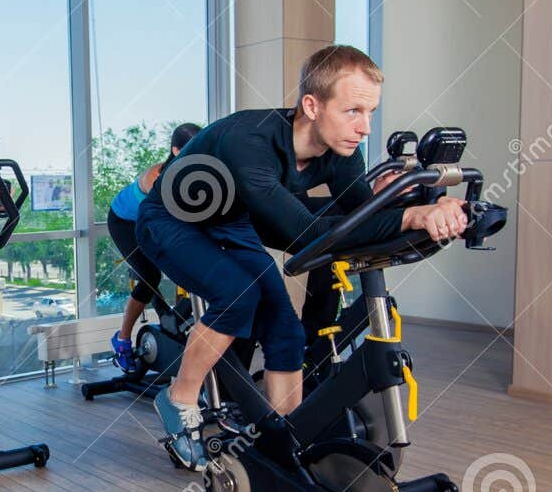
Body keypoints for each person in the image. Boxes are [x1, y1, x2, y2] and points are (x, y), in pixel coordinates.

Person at [137, 44, 470, 467]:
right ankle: (178, 399)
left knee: (287, 331)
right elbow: (307, 233)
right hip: (171, 219)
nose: (365, 127)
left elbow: (357, 219)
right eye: (353, 111)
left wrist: (425, 210)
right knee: (237, 292)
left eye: (370, 112)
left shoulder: (342, 152)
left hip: (231, 222)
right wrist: (410, 218)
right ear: (311, 105)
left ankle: (286, 439)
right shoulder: (250, 142)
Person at [106, 122, 201, 372]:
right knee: (150, 275)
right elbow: (166, 217)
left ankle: (172, 320)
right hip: (124, 223)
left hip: (150, 222)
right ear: (175, 150)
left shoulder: (196, 170)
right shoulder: (155, 178)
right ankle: (122, 339)